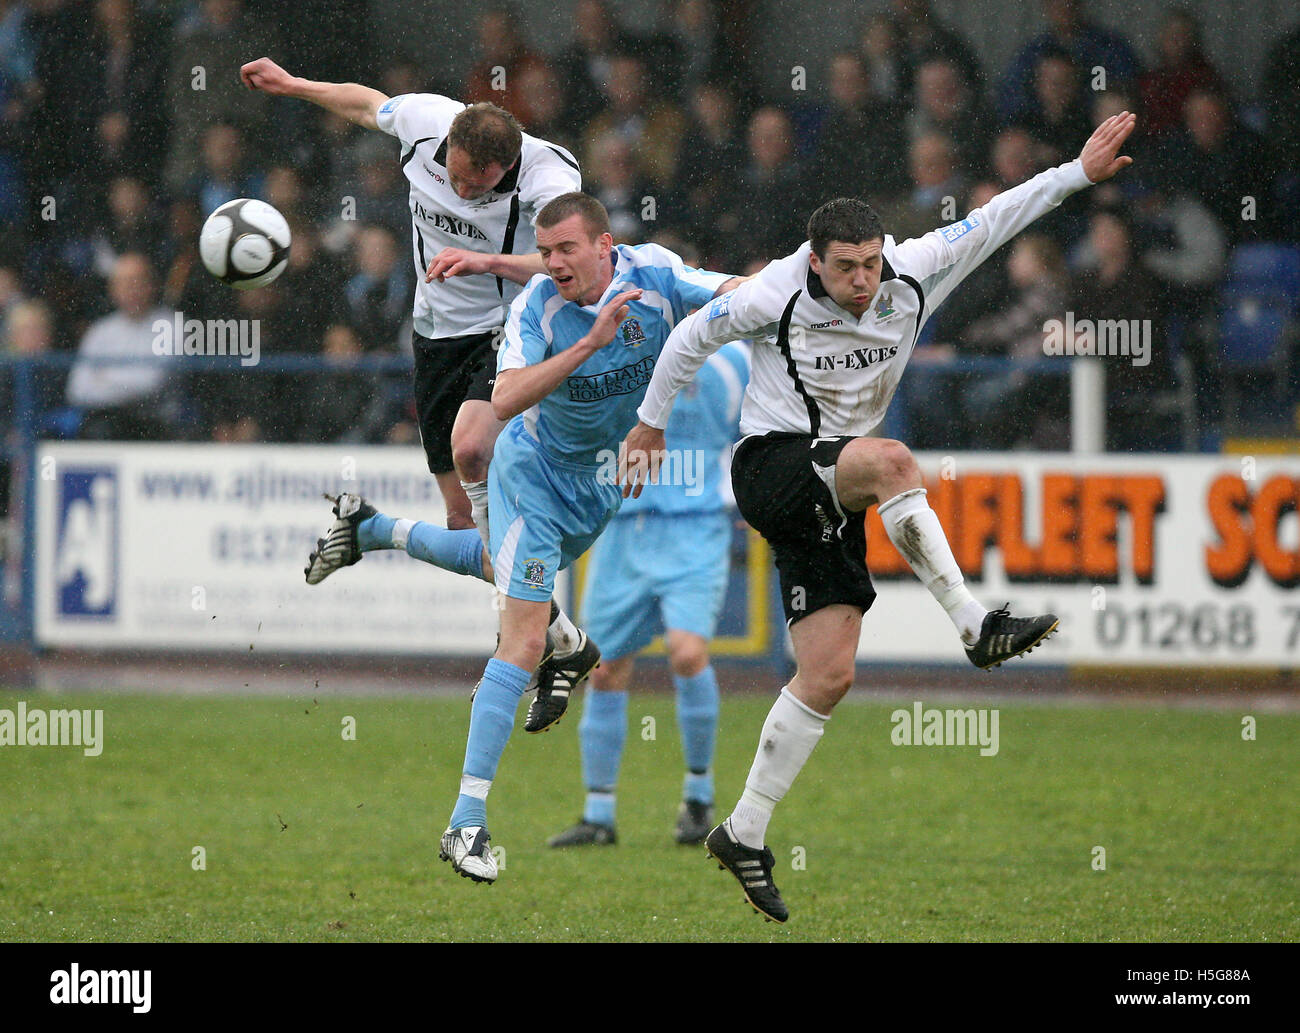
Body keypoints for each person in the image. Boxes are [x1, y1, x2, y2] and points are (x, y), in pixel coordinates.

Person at [620, 112, 1139, 922]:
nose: (863, 282)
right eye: (846, 269)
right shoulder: (774, 291)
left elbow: (999, 216)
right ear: (814, 259)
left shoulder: (915, 267)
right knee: (896, 462)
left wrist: (1076, 171)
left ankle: (744, 829)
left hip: (828, 484)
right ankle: (975, 625)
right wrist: (650, 423)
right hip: (772, 464)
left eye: (870, 265)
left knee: (829, 674)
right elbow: (690, 336)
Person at [320, 193, 743, 883]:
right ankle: (466, 823)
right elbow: (507, 397)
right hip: (534, 473)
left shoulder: (657, 276)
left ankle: (377, 528)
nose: (554, 264)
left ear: (606, 245)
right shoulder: (539, 307)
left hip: (599, 487)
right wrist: (589, 343)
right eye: (544, 253)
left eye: (567, 249)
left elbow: (730, 292)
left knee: (502, 567)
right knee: (520, 636)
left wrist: (796, 297)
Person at [240, 55, 593, 692]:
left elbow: (582, 268)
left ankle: (533, 642)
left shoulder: (550, 175)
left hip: (507, 332)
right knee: (467, 526)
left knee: (471, 448)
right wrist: (294, 83)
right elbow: (360, 100)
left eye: (473, 186)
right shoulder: (429, 121)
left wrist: (487, 261)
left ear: (503, 168)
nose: (459, 192)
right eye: (451, 178)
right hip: (434, 334)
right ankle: (557, 639)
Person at [548, 339, 751, 850]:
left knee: (687, 652)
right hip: (624, 530)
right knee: (604, 668)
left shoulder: (734, 363)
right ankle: (599, 816)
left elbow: (758, 431)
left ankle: (699, 798)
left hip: (696, 526)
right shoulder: (616, 359)